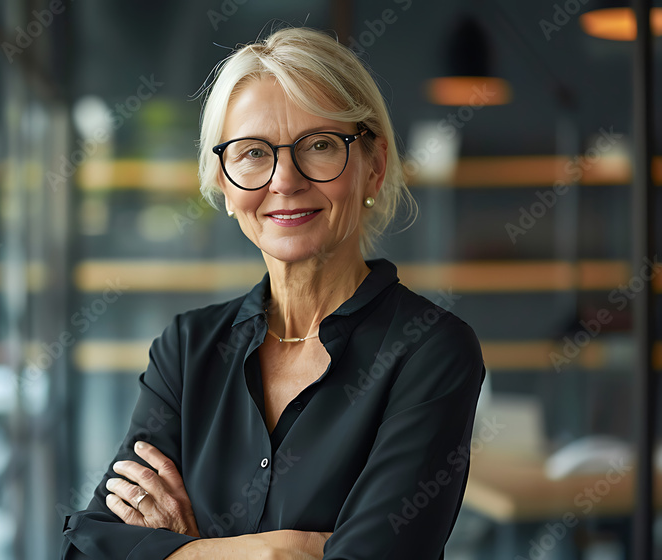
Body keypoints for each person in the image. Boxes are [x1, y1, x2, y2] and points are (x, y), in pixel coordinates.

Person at [60, 26, 485, 559]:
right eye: (253, 153)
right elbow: (92, 548)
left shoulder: (431, 349)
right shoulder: (187, 349)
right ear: (223, 178)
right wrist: (276, 552)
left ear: (373, 167)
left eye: (321, 146)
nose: (285, 179)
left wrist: (181, 549)